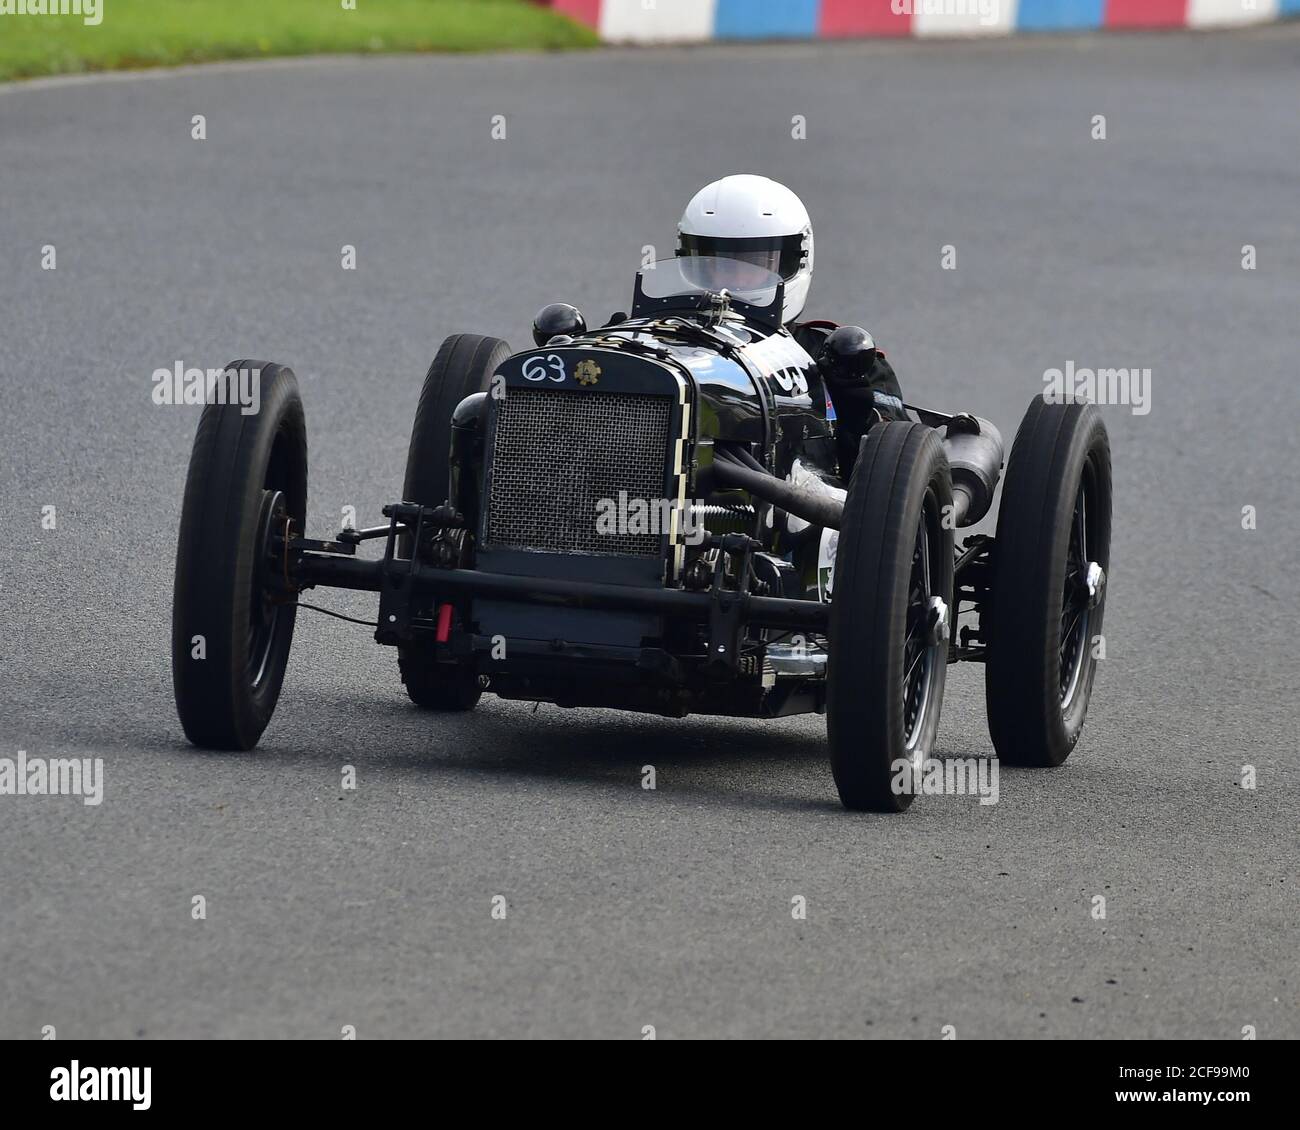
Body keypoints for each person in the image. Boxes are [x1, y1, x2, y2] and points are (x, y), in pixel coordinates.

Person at [677, 174, 906, 472]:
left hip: (799, 511)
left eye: (754, 266)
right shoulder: (661, 348)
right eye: (717, 265)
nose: (733, 282)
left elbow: (898, 478)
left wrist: (857, 418)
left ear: (795, 262)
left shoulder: (840, 360)